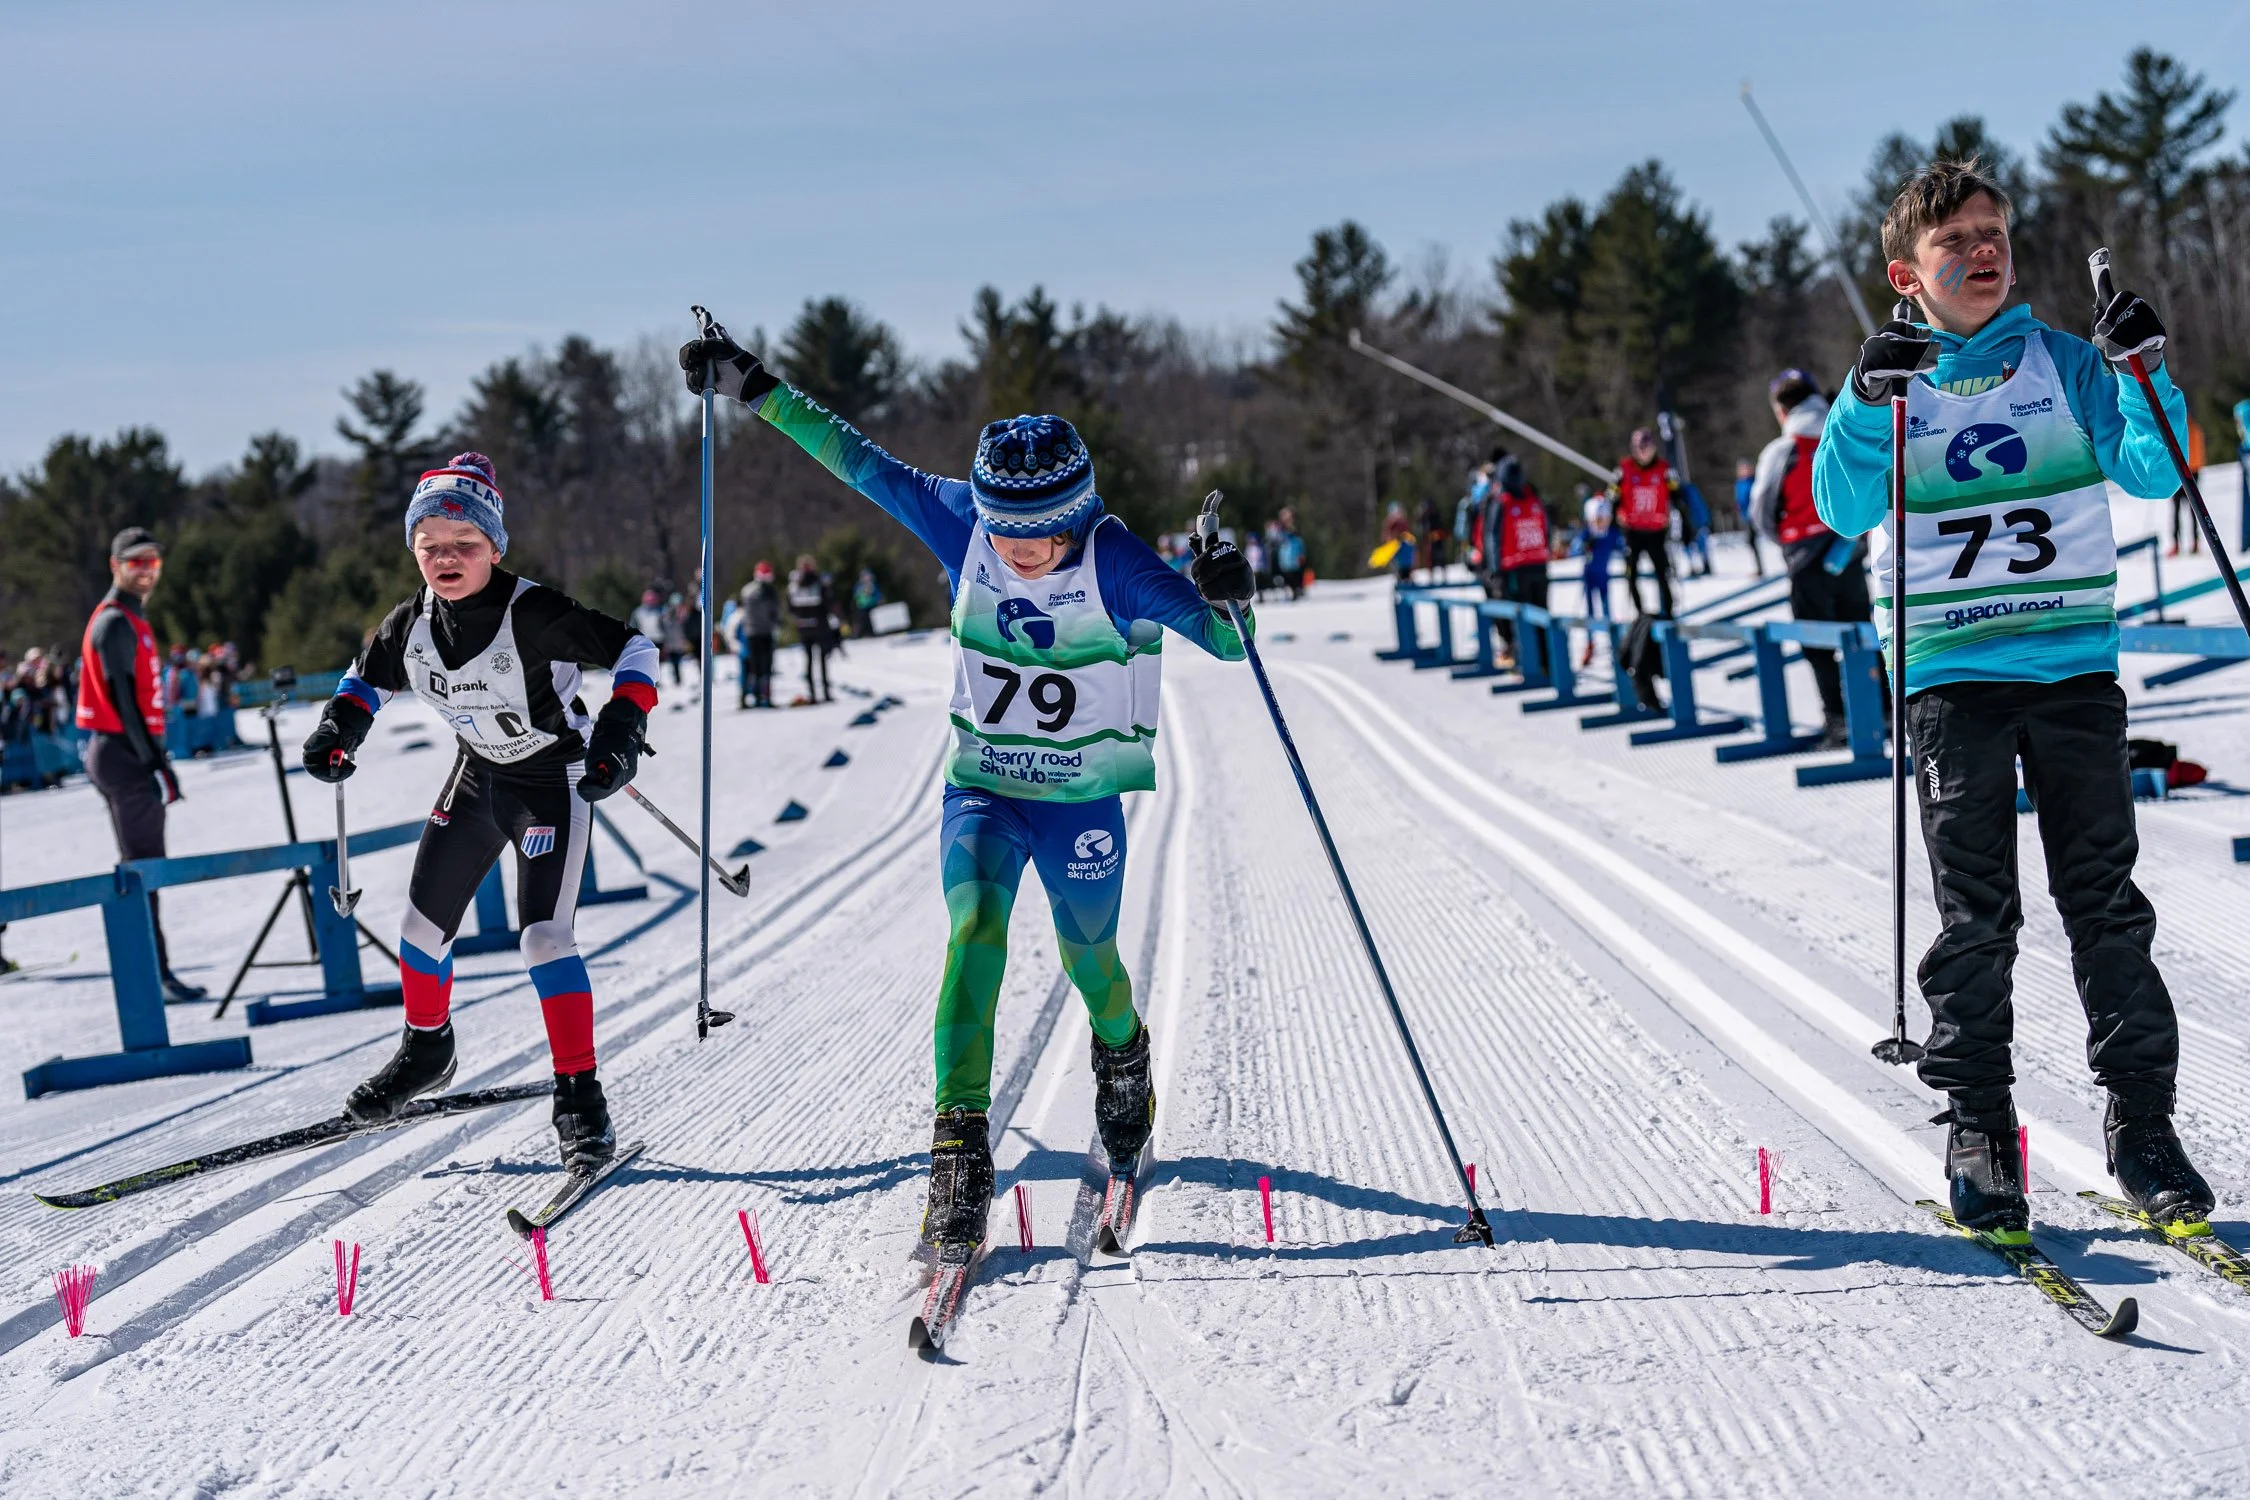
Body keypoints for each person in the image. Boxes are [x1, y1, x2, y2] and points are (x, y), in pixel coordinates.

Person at [680, 316, 1254, 1254]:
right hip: (983, 786)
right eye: (1006, 534)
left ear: (1080, 514)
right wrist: (752, 386)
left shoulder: (1118, 561)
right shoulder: (962, 521)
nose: (1022, 553)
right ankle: (958, 1148)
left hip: (1080, 803)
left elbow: (1232, 645)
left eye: (1044, 535)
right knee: (974, 932)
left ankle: (1123, 1054)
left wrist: (1234, 588)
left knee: (1091, 966)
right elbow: (856, 459)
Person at [1812, 157, 2213, 1233]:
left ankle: (2143, 1124)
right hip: (1952, 679)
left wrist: (2142, 369)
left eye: (1993, 235)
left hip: (2072, 669)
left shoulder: (2064, 360)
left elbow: (2153, 471)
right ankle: (1981, 1126)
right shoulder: (1890, 386)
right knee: (1976, 917)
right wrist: (1860, 399)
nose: (1983, 254)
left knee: (2106, 906)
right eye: (1957, 245)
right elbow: (1841, 509)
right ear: (1909, 274)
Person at [298, 453, 660, 1170]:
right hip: (476, 780)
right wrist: (340, 727)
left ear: (495, 547)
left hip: (550, 782)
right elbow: (365, 678)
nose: (446, 558)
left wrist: (623, 725)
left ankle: (580, 1097)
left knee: (544, 942)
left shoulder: (534, 612)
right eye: (429, 546)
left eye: (464, 544)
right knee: (418, 929)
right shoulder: (410, 624)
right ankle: (426, 1049)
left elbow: (635, 647)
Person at [75, 528, 204, 1003]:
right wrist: (153, 761)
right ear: (116, 566)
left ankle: (157, 971)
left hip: (127, 753)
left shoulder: (131, 618)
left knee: (146, 867)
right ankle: (155, 975)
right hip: (122, 754)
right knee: (144, 872)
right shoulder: (114, 622)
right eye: (135, 563)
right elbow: (122, 698)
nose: (146, 570)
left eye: (152, 562)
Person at [1751, 369, 1872, 748]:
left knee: (1818, 645)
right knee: (1865, 634)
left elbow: (1762, 512)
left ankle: (1837, 721)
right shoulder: (1844, 433)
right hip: (1848, 553)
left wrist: (1790, 546)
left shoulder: (1782, 451)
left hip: (1805, 563)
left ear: (1782, 410)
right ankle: (1881, 710)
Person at [1608, 428, 1679, 618]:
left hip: (1656, 531)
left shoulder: (1664, 469)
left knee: (1662, 571)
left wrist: (1683, 521)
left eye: (1647, 447)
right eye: (1640, 448)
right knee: (1631, 573)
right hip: (1633, 531)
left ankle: (1669, 610)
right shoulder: (1623, 470)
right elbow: (1612, 497)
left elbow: (1677, 494)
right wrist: (1614, 521)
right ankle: (1640, 613)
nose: (1644, 452)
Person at [1570, 496, 1624, 667]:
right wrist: (1582, 545)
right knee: (1590, 613)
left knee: (1608, 610)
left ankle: (1614, 642)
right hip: (1589, 578)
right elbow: (1574, 549)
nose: (1601, 523)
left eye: (1604, 519)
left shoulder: (1611, 534)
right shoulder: (1587, 534)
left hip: (1603, 578)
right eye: (1597, 520)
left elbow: (1622, 546)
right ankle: (1590, 642)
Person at [786, 555, 835, 704]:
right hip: (820, 626)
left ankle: (812, 693)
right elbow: (828, 603)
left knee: (808, 661)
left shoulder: (793, 586)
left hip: (803, 627)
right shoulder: (820, 582)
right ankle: (825, 692)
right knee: (822, 660)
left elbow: (790, 607)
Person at [737, 561, 781, 709]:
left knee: (752, 667)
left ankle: (752, 696)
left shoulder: (746, 590)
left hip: (751, 632)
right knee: (766, 668)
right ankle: (765, 697)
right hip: (765, 632)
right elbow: (774, 612)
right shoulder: (769, 592)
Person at [2167, 414, 2206, 556]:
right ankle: (2195, 542)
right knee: (2193, 509)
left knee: (2177, 509)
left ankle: (2176, 544)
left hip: (2179, 473)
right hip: (2194, 472)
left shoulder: (2177, 428)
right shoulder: (2196, 428)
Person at [1734, 457, 1769, 577]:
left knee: (1755, 540)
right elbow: (1740, 499)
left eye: (1747, 467)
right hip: (1745, 517)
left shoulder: (1754, 481)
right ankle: (1758, 567)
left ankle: (1760, 568)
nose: (1745, 470)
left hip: (1755, 515)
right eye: (1743, 468)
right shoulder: (1739, 483)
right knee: (1751, 542)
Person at [851, 567, 883, 637]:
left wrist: (879, 599)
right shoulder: (859, 586)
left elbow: (878, 594)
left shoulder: (873, 585)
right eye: (865, 576)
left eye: (868, 576)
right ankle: (856, 635)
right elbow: (856, 596)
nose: (867, 578)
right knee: (860, 621)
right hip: (862, 606)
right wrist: (863, 592)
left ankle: (873, 633)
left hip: (872, 605)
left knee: (873, 620)